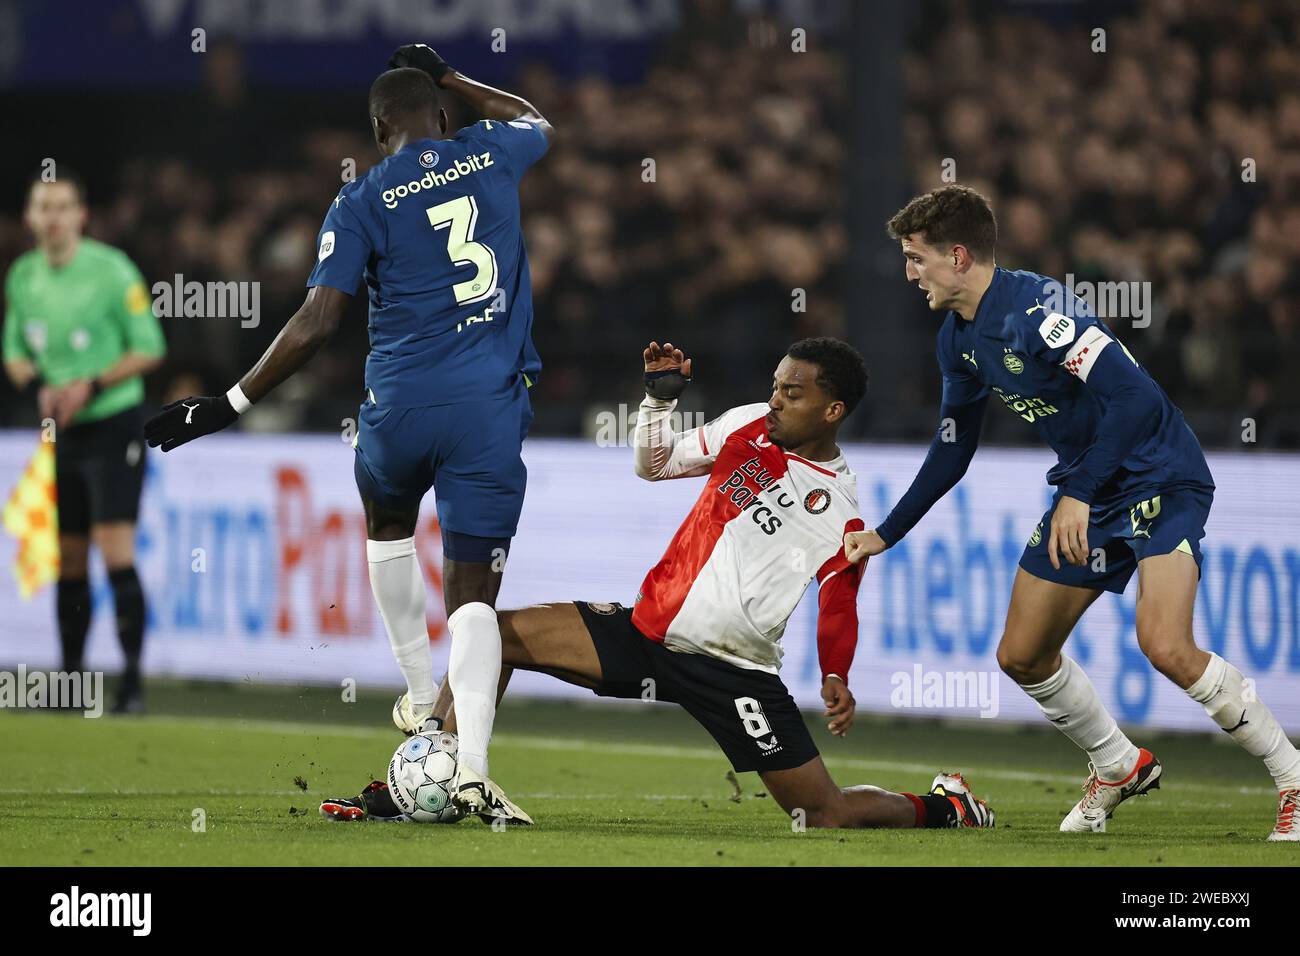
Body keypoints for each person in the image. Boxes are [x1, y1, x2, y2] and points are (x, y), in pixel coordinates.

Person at [320, 338, 996, 831]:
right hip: (645, 633)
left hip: (733, 674)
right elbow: (657, 465)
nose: (776, 399)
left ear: (833, 410)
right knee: (490, 633)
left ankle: (947, 807)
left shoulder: (839, 509)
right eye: (776, 384)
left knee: (823, 814)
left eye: (794, 392)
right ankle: (429, 778)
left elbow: (839, 599)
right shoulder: (745, 428)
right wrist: (656, 403)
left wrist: (837, 674)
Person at [144, 46, 554, 822]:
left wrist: (227, 403)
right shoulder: (489, 148)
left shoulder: (360, 200)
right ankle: (471, 771)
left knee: (388, 527)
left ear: (375, 129)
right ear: (438, 116)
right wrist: (457, 78)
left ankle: (413, 688)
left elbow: (318, 322)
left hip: (397, 407)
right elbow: (538, 119)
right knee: (473, 597)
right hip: (487, 411)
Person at [843, 184, 1299, 842]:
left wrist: (1078, 492)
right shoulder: (958, 340)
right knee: (1022, 655)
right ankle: (1116, 764)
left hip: (1157, 477)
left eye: (917, 259)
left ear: (959, 255)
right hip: (1093, 491)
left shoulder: (1041, 311)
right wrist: (887, 532)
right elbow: (952, 449)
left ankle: (1293, 777)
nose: (910, 274)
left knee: (1165, 645)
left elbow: (1136, 400)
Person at [3, 172, 167, 713]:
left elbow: (149, 347)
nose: (52, 216)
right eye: (42, 206)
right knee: (69, 558)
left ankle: (133, 685)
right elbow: (15, 351)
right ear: (30, 217)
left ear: (81, 215)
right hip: (63, 433)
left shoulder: (112, 270)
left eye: (63, 206)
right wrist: (38, 386)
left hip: (113, 425)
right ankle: (71, 684)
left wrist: (90, 385)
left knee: (114, 547)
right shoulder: (23, 276)